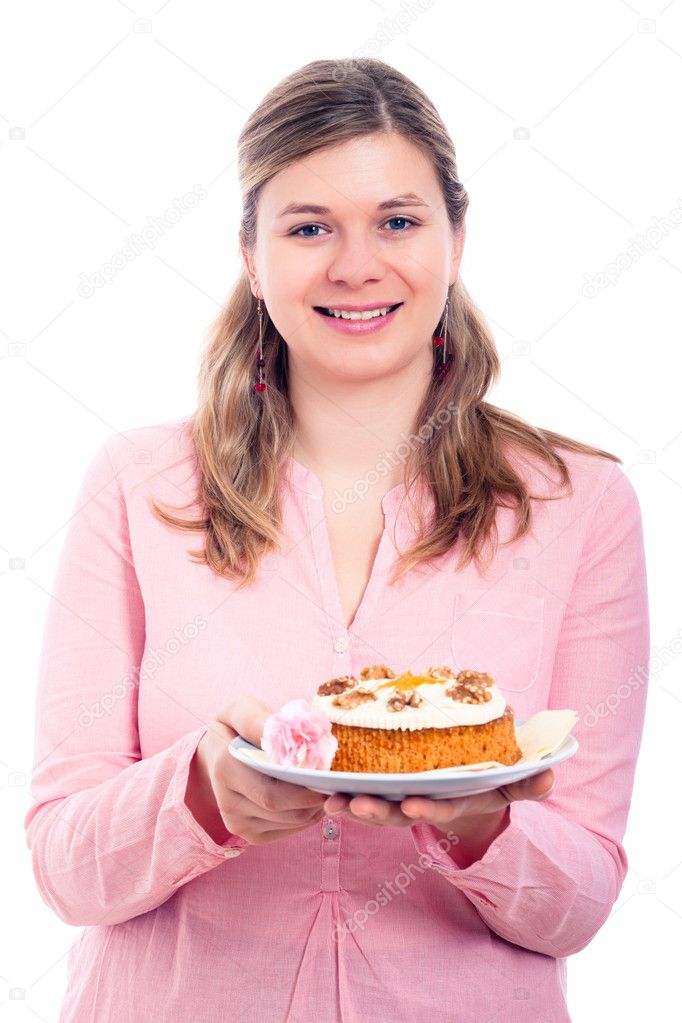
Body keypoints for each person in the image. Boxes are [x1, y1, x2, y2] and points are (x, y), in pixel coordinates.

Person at [24, 58, 649, 1022]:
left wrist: (483, 827)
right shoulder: (137, 485)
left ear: (456, 240)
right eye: (309, 227)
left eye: (397, 221)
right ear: (251, 255)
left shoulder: (580, 503)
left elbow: (583, 900)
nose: (356, 265)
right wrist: (202, 796)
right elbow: (64, 869)